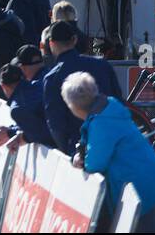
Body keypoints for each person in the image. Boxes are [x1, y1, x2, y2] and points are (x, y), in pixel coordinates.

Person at [64, 71, 155, 233]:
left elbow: (95, 164)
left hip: (142, 191)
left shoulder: (101, 122)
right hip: (152, 183)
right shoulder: (109, 108)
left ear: (74, 106)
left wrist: (79, 161)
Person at [41, 21, 121, 155]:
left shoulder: (52, 78)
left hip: (80, 150)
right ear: (74, 40)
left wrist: (67, 151)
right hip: (111, 140)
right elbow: (118, 100)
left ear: (51, 43)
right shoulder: (102, 65)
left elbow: (56, 123)